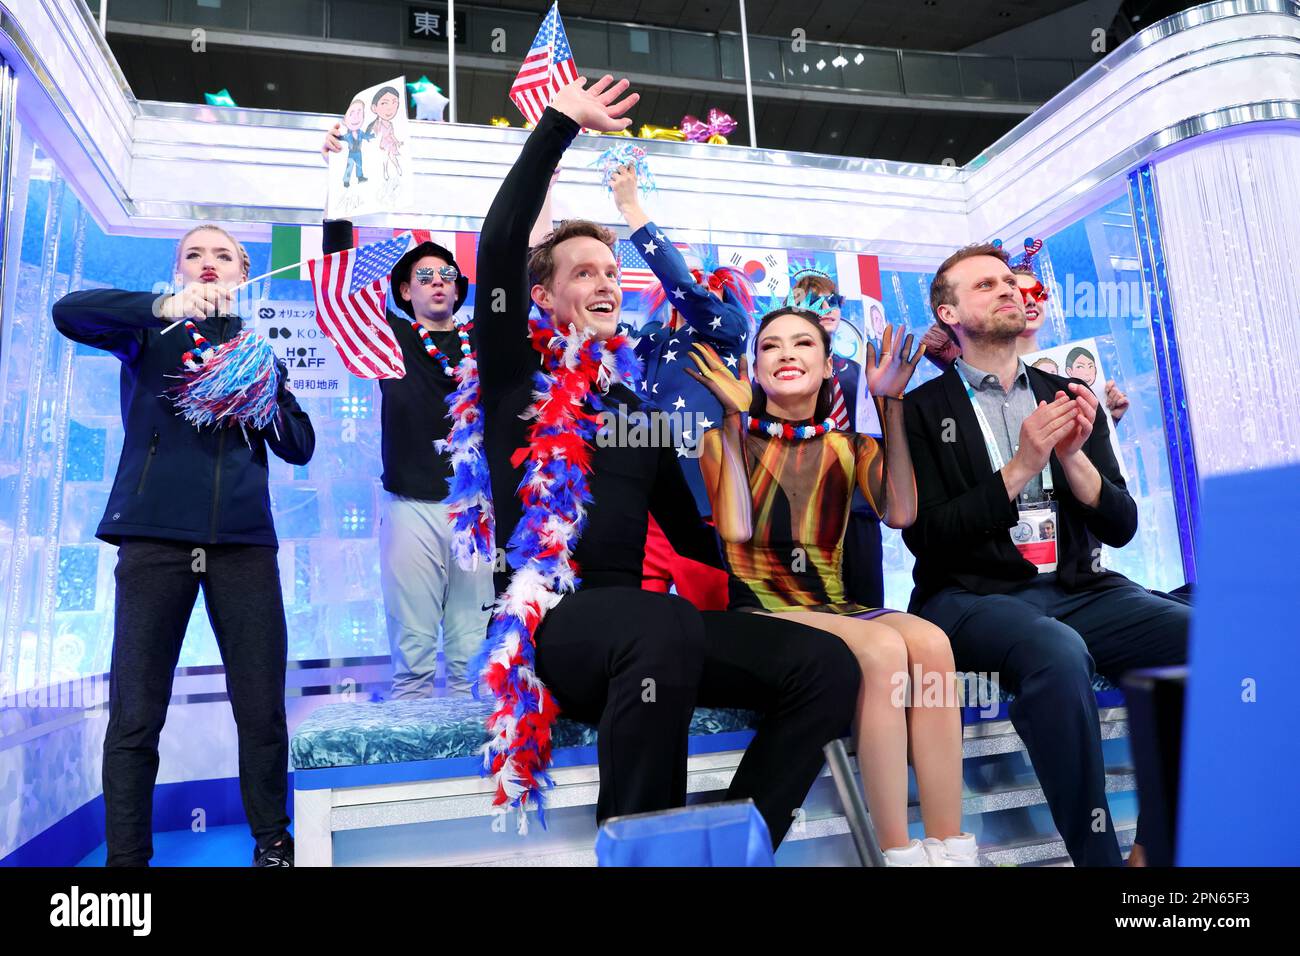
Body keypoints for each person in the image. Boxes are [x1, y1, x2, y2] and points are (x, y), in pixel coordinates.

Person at [472, 75, 860, 847]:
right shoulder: (515, 379)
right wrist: (556, 126)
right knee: (664, 625)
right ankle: (646, 854)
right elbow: (498, 244)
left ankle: (732, 844)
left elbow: (693, 538)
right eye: (582, 272)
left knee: (827, 666)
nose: (605, 282)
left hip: (654, 629)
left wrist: (781, 592)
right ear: (542, 297)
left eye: (612, 273)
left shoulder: (635, 412)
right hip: (561, 624)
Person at [902, 241, 1189, 866]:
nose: (1008, 291)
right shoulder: (922, 410)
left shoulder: (1067, 392)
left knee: (1208, 638)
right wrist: (1022, 465)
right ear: (948, 315)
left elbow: (1122, 525)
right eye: (985, 286)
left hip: (1080, 588)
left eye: (1010, 282)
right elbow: (927, 535)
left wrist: (1071, 456)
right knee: (1057, 654)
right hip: (973, 598)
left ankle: (1154, 845)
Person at [52, 224, 315, 867]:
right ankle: (127, 865)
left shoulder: (259, 354)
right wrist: (160, 307)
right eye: (193, 254)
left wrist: (266, 405)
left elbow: (299, 444)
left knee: (260, 711)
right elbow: (68, 312)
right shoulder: (149, 331)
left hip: (243, 546)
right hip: (153, 542)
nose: (206, 263)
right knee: (136, 714)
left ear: (241, 272)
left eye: (221, 254)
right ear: (177, 270)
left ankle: (273, 844)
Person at [688, 309, 977, 866]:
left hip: (833, 604)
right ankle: (898, 852)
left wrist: (891, 404)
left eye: (803, 344)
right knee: (884, 648)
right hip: (760, 610)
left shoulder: (851, 446)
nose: (787, 354)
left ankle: (952, 850)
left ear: (827, 367)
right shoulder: (719, 438)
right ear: (753, 367)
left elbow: (902, 512)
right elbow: (735, 529)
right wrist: (732, 417)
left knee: (933, 644)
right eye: (770, 346)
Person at [608, 162, 749, 611]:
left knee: (716, 629)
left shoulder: (727, 327)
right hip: (645, 510)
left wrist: (632, 209)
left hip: (705, 509)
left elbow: (682, 288)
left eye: (706, 284)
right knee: (639, 624)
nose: (689, 290)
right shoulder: (649, 337)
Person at [922, 258, 1131, 423]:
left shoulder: (1069, 367)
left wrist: (1106, 419)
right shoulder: (978, 377)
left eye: (1038, 293)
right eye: (1021, 292)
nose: (1030, 301)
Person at [789, 270, 886, 608]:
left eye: (835, 300)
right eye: (819, 299)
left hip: (858, 505)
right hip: (808, 508)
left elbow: (874, 435)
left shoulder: (856, 370)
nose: (829, 307)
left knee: (869, 603)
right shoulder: (786, 368)